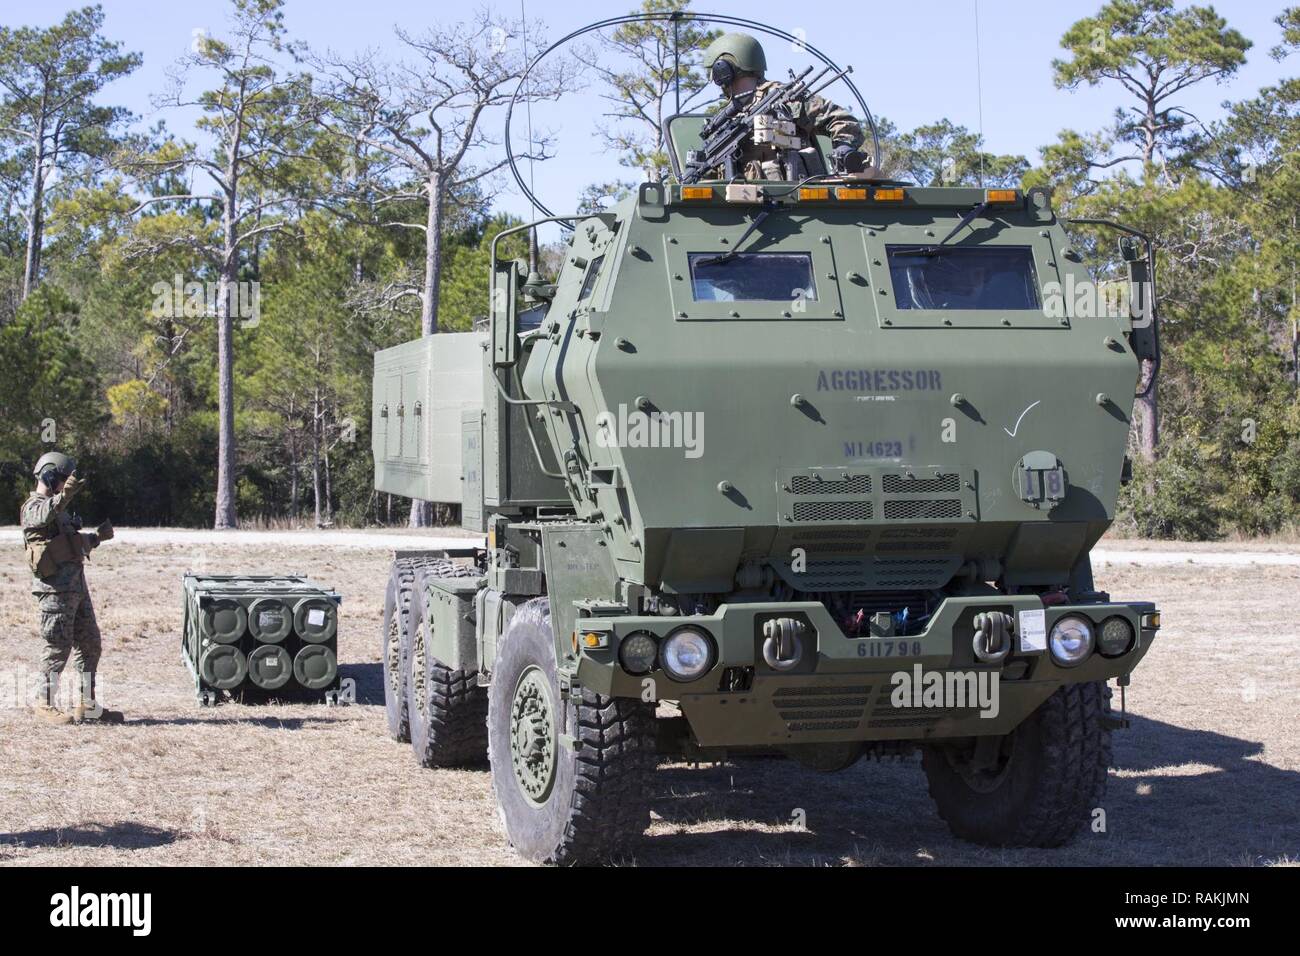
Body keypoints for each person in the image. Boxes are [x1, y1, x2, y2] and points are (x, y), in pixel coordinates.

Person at [21, 451, 123, 725]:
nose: (66, 485)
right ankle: (43, 704)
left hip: (76, 588)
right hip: (54, 591)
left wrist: (96, 538)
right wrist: (64, 495)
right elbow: (43, 515)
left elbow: (70, 545)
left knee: (90, 644)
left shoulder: (60, 512)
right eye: (63, 479)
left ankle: (86, 704)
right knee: (57, 647)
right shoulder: (33, 507)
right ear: (51, 476)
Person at [700, 31, 867, 181]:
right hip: (746, 205)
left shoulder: (783, 99)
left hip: (797, 201)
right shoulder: (727, 118)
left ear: (723, 69)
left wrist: (844, 151)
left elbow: (842, 120)